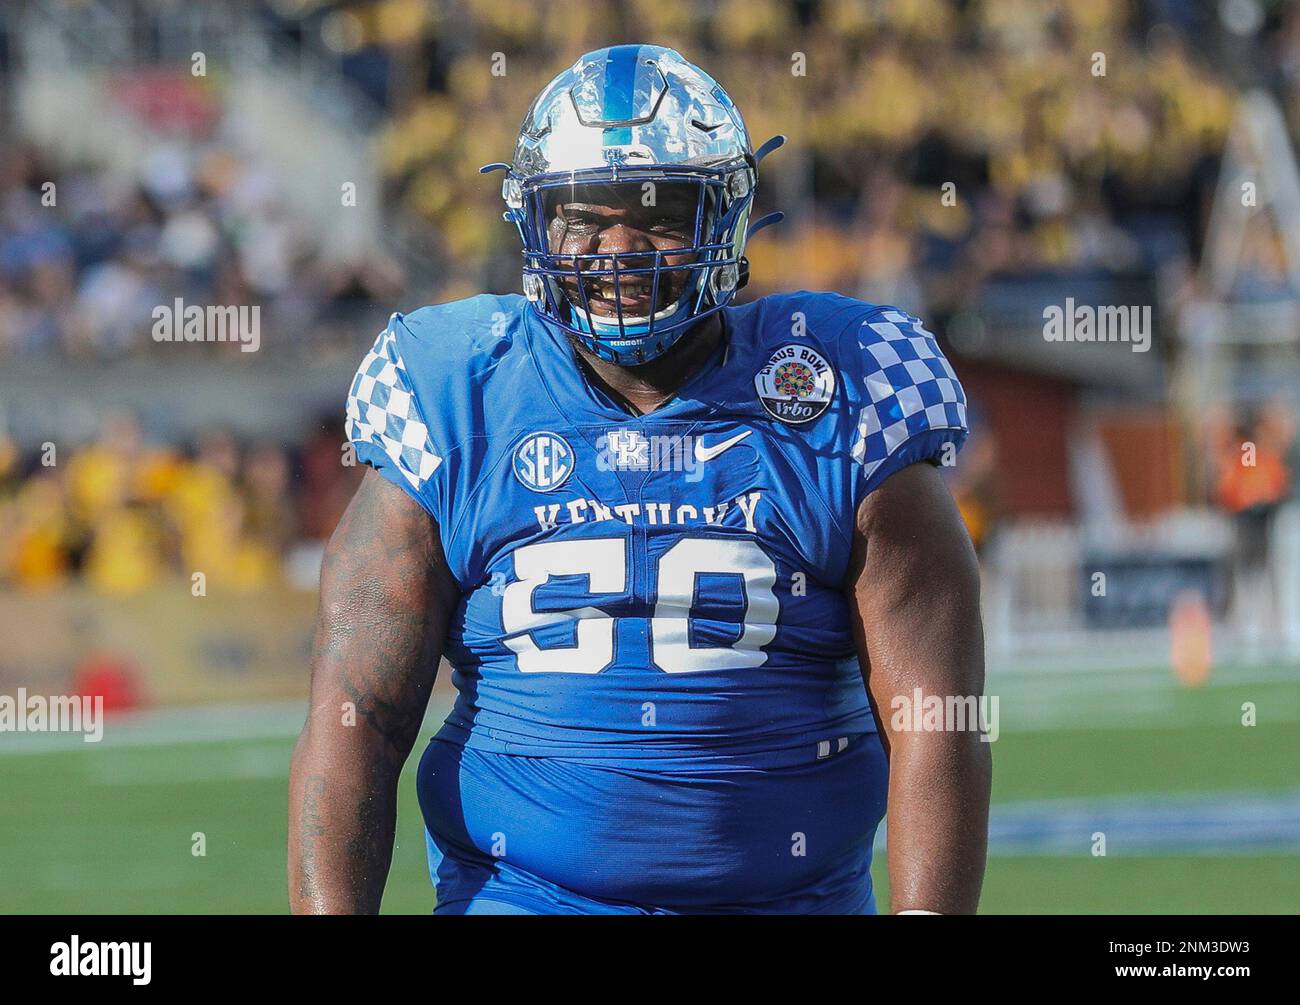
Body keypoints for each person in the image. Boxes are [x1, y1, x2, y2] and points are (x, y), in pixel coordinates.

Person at [289, 45, 989, 915]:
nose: (617, 250)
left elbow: (936, 726)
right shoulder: (458, 388)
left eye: (658, 214)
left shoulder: (845, 386)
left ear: (725, 217)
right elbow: (358, 716)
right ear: (534, 225)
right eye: (585, 216)